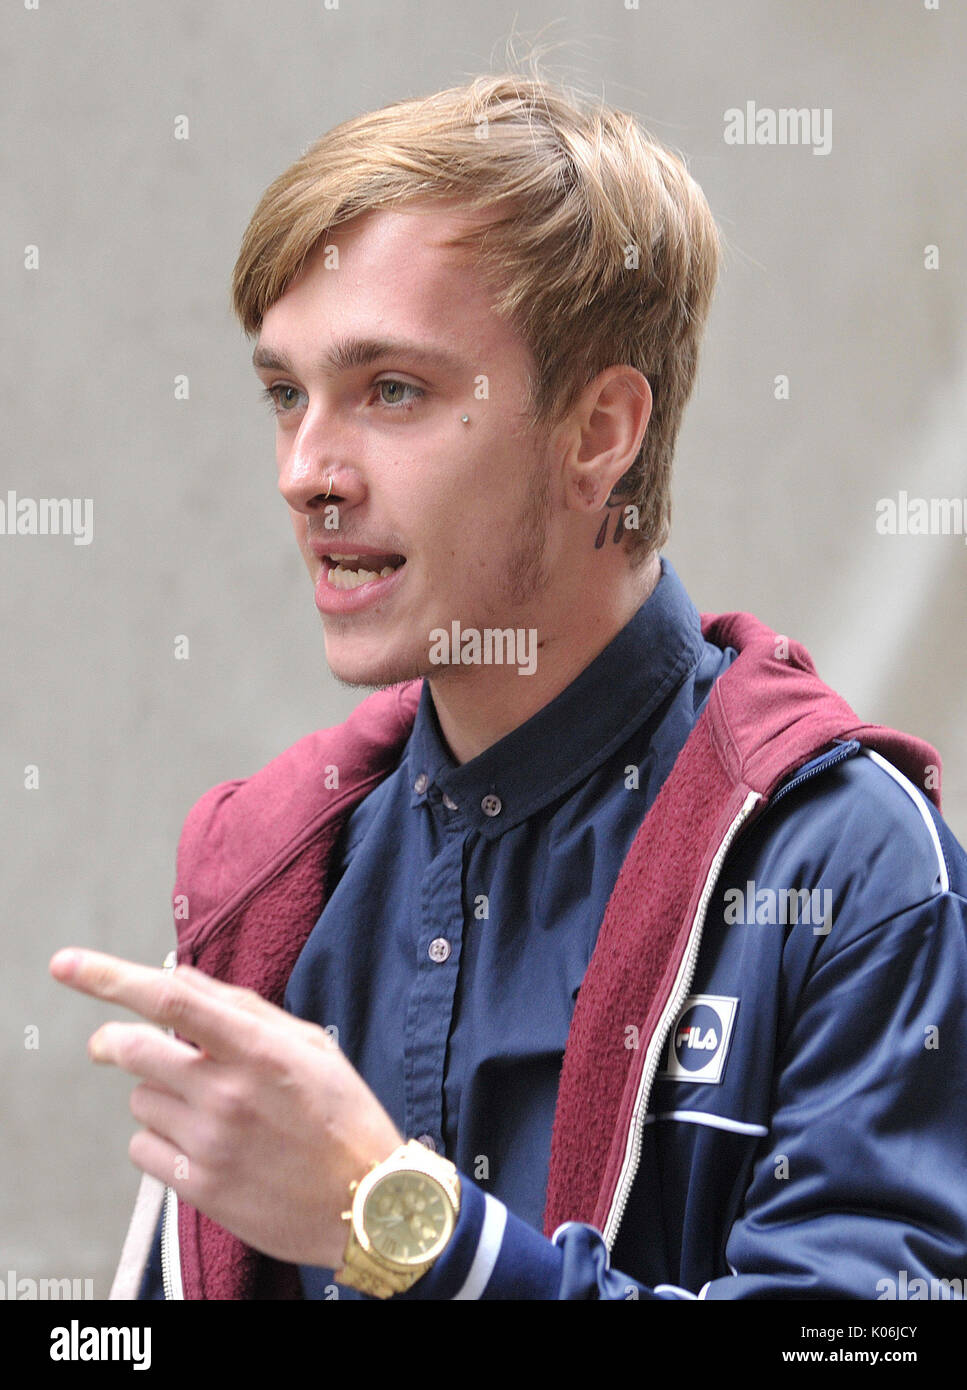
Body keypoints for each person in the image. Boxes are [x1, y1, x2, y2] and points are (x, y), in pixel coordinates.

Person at [51, 73, 967, 1301]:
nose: (306, 469)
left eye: (390, 391)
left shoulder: (852, 868)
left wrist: (401, 1230)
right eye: (286, 394)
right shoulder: (267, 867)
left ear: (599, 434)